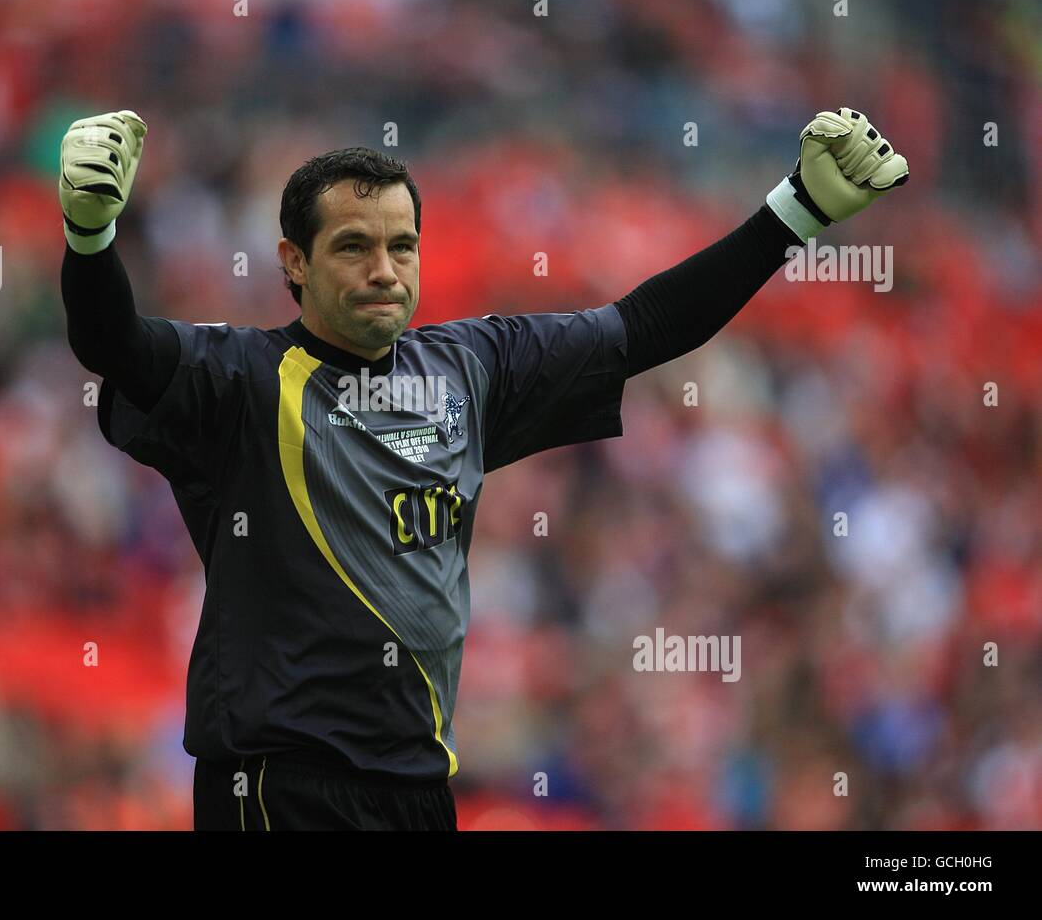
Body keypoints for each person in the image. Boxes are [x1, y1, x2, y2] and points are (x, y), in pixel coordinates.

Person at [58, 108, 907, 830]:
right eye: (353, 246)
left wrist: (795, 211)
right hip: (279, 787)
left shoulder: (470, 368)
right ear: (293, 263)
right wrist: (91, 235)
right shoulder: (237, 383)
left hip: (419, 786)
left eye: (403, 245)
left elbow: (646, 326)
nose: (385, 270)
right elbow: (114, 345)